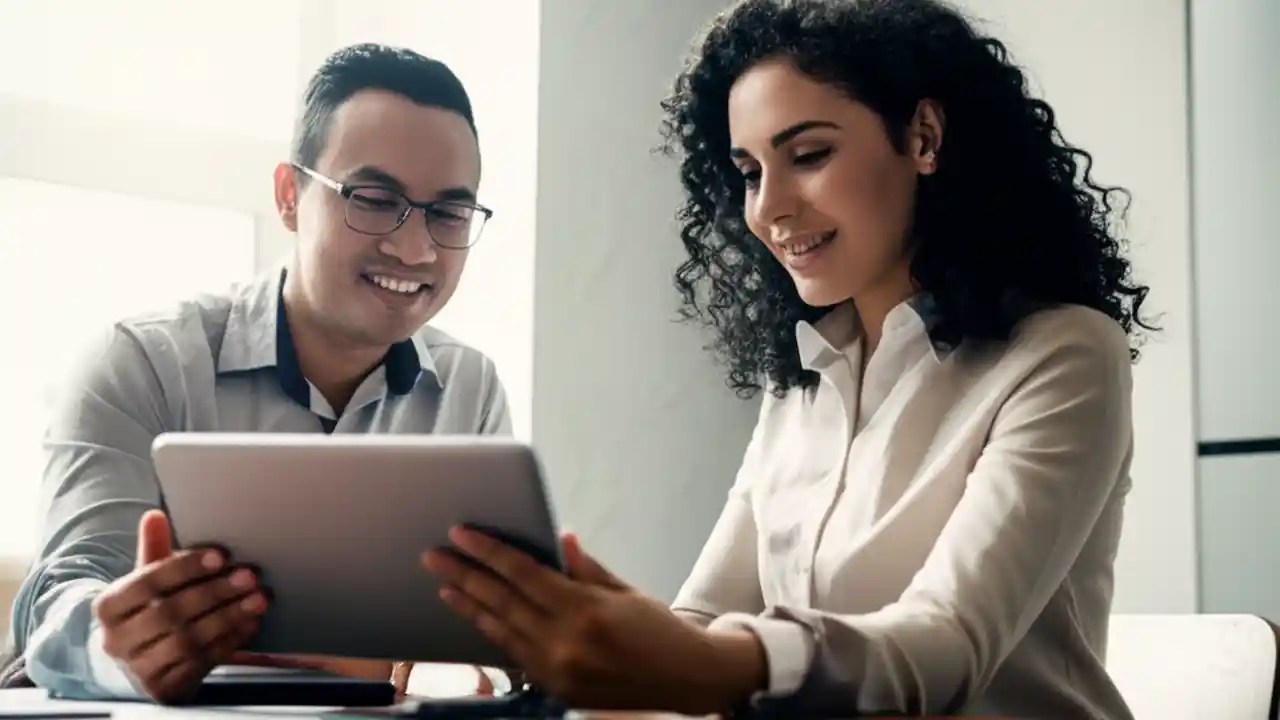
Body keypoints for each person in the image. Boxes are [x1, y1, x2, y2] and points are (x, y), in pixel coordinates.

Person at [419, 0, 1153, 717]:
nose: (769, 207)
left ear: (924, 137)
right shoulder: (801, 381)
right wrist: (576, 632)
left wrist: (689, 662)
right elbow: (702, 621)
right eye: (748, 172)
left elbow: (947, 646)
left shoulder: (1064, 354)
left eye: (808, 155)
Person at [8, 43, 508, 702]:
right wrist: (119, 648)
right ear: (289, 196)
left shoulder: (470, 390)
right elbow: (62, 599)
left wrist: (461, 667)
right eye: (373, 198)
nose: (413, 249)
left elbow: (483, 635)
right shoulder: (140, 363)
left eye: (447, 213)